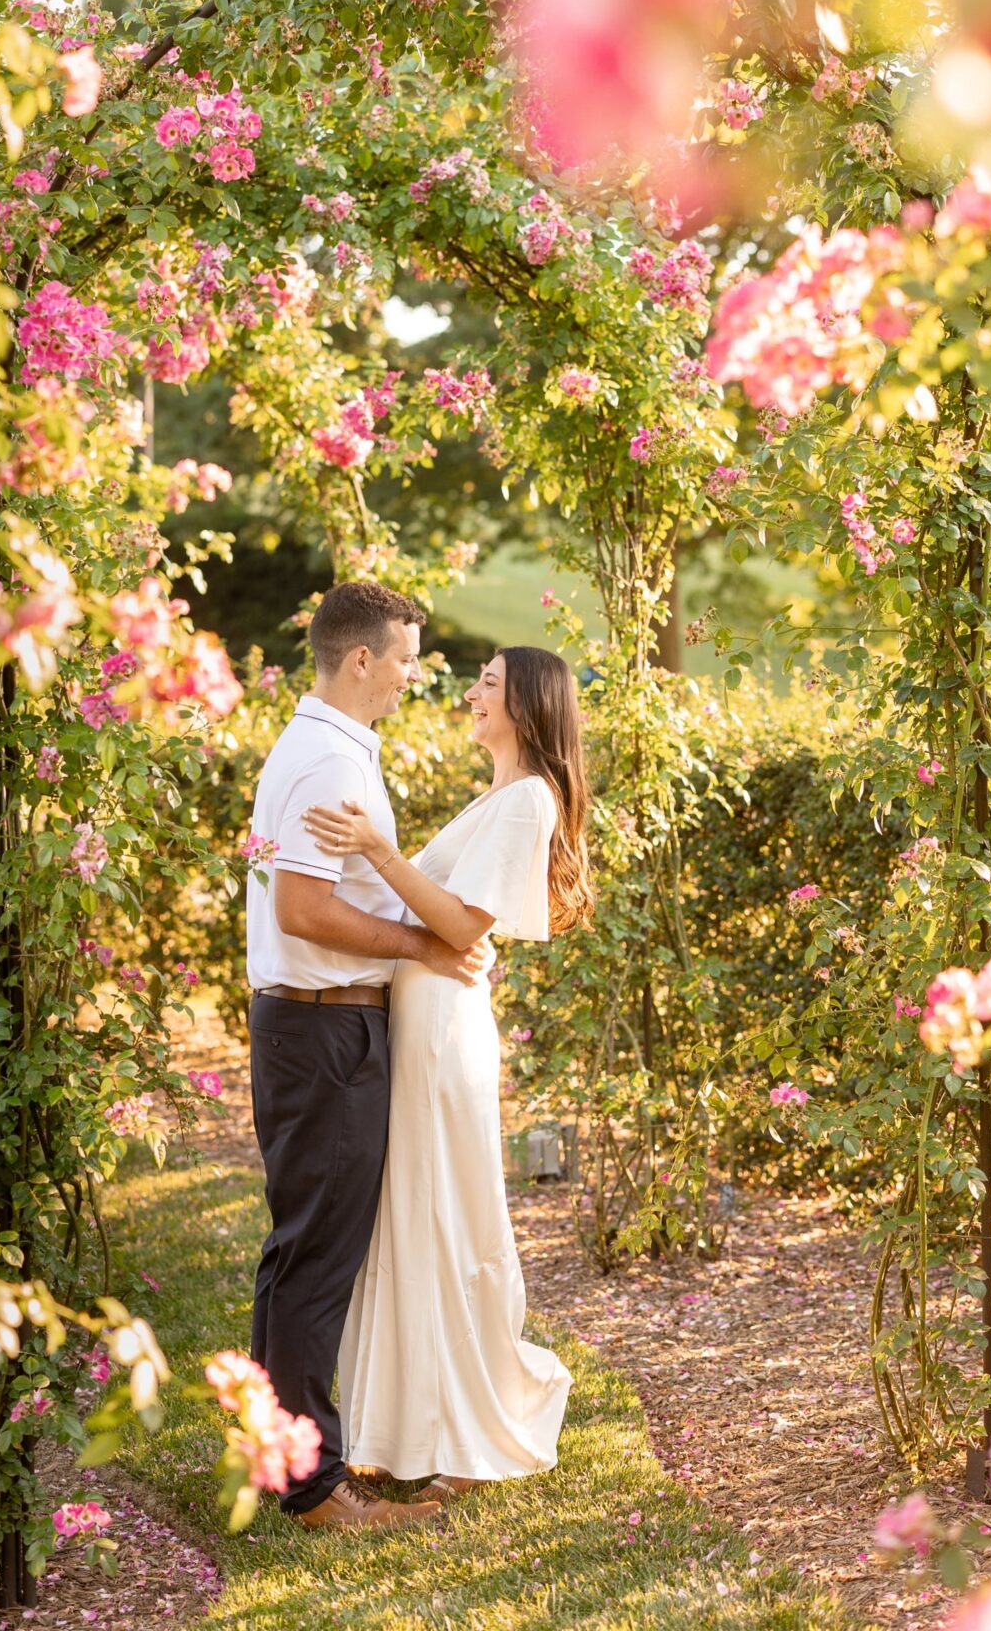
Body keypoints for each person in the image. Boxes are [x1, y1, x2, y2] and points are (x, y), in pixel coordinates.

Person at [305, 645, 595, 1502]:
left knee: (448, 1219)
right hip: (423, 1018)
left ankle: (470, 1444)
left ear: (530, 707)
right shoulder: (501, 796)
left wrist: (375, 849)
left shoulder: (525, 801)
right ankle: (404, 1429)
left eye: (489, 685)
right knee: (411, 1219)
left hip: (441, 1030)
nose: (470, 694)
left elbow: (463, 927)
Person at [245, 579, 487, 1531]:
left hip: (308, 1024)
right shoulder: (325, 763)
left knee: (296, 1249)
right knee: (317, 1261)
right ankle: (313, 1490)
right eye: (404, 659)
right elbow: (304, 910)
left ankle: (280, 1461)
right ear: (360, 660)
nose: (412, 676)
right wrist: (423, 946)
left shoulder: (320, 747)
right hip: (325, 1027)